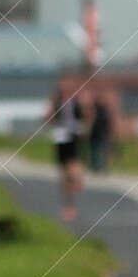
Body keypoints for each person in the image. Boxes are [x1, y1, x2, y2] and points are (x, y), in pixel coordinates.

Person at [49, 82, 86, 222]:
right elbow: (50, 119)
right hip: (60, 140)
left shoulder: (77, 103)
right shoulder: (56, 103)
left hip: (73, 138)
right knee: (64, 176)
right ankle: (68, 207)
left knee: (73, 167)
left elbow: (85, 118)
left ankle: (77, 179)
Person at [87, 94, 114, 174]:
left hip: (101, 135)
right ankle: (96, 167)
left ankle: (101, 167)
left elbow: (108, 124)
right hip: (96, 134)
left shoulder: (102, 112)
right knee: (96, 151)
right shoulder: (96, 111)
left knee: (101, 151)